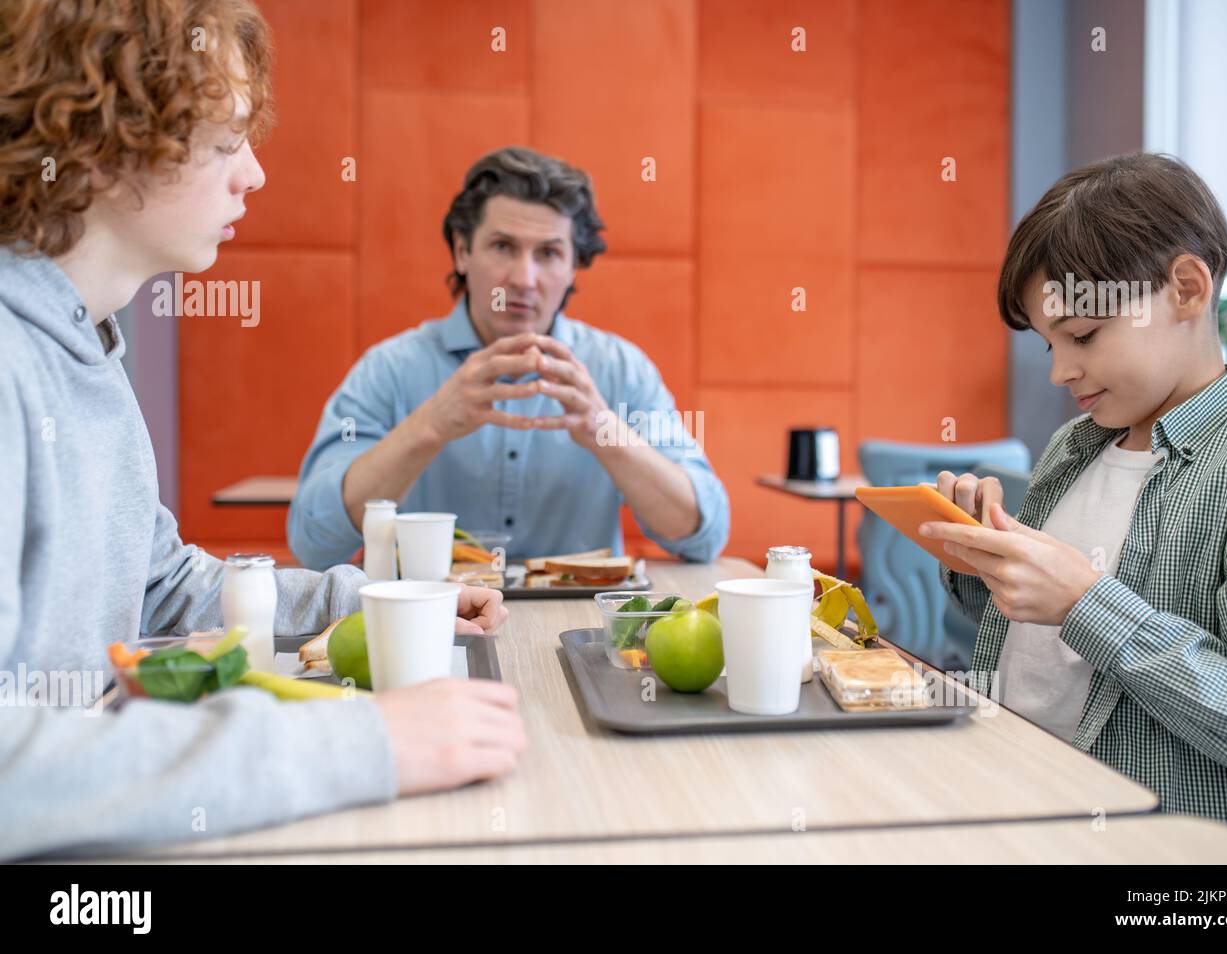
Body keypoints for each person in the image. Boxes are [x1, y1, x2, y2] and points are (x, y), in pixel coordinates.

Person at [0, 0, 525, 861]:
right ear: (98, 145)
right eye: (222, 142)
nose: (256, 174)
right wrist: (367, 746)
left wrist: (374, 601)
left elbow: (160, 587)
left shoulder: (86, 345)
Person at [923, 153, 1227, 837]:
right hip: (1005, 806)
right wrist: (982, 562)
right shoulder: (1076, 447)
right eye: (1049, 346)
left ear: (1187, 288)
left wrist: (1089, 606)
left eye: (1084, 336)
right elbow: (1039, 651)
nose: (1062, 370)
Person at [287, 147, 730, 570]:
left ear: (575, 266)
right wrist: (430, 425)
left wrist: (605, 430)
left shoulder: (621, 369)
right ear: (462, 251)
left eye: (549, 253)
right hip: (431, 631)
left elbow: (704, 536)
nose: (524, 279)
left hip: (582, 634)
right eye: (503, 246)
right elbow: (314, 541)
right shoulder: (388, 370)